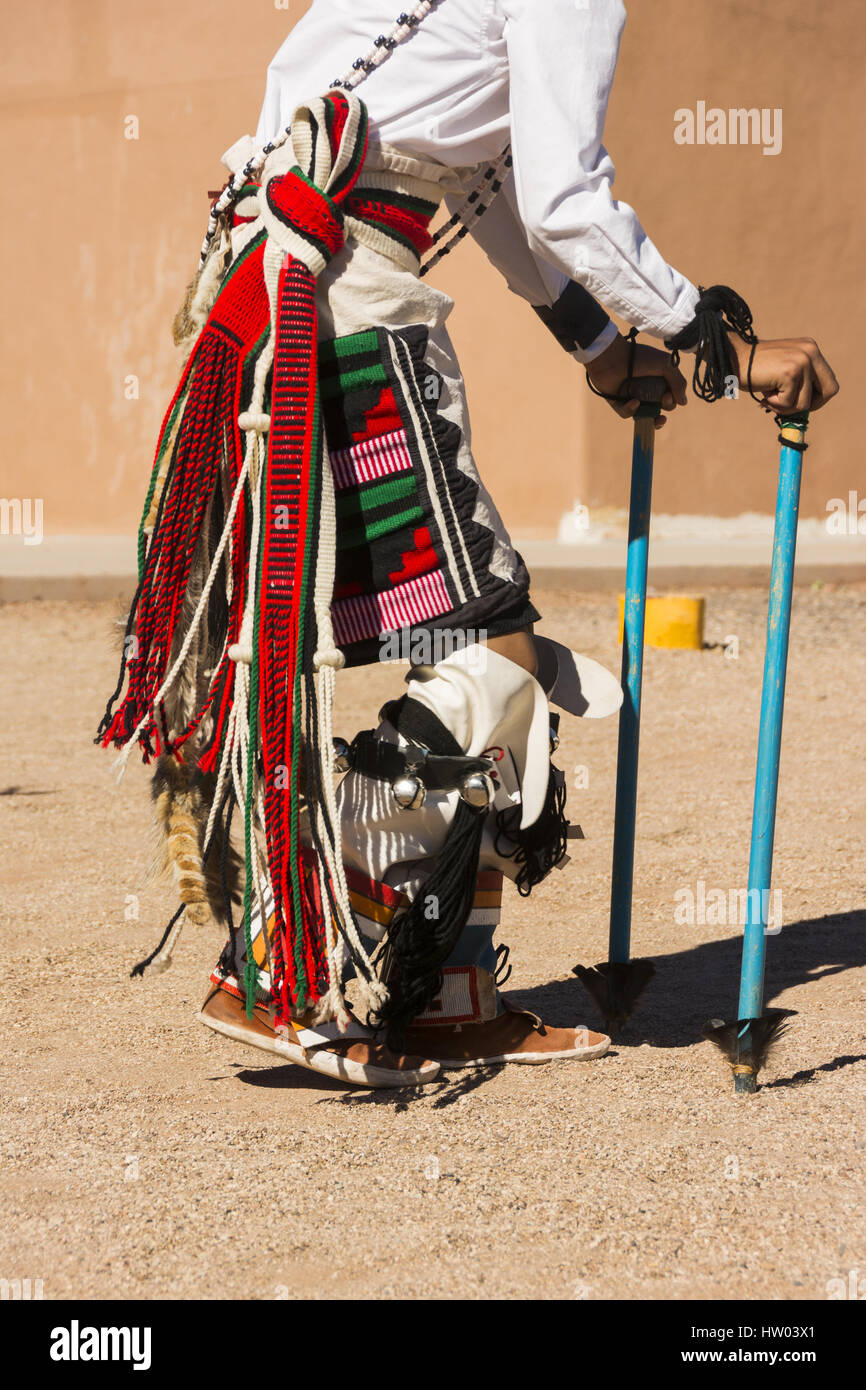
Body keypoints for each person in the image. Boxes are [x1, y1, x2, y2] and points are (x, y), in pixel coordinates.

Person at [99, 0, 838, 1089]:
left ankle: (444, 995)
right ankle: (273, 955)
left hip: (288, 280)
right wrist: (710, 341)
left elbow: (489, 186)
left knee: (466, 630)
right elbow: (562, 197)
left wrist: (595, 341)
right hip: (345, 289)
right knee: (495, 645)